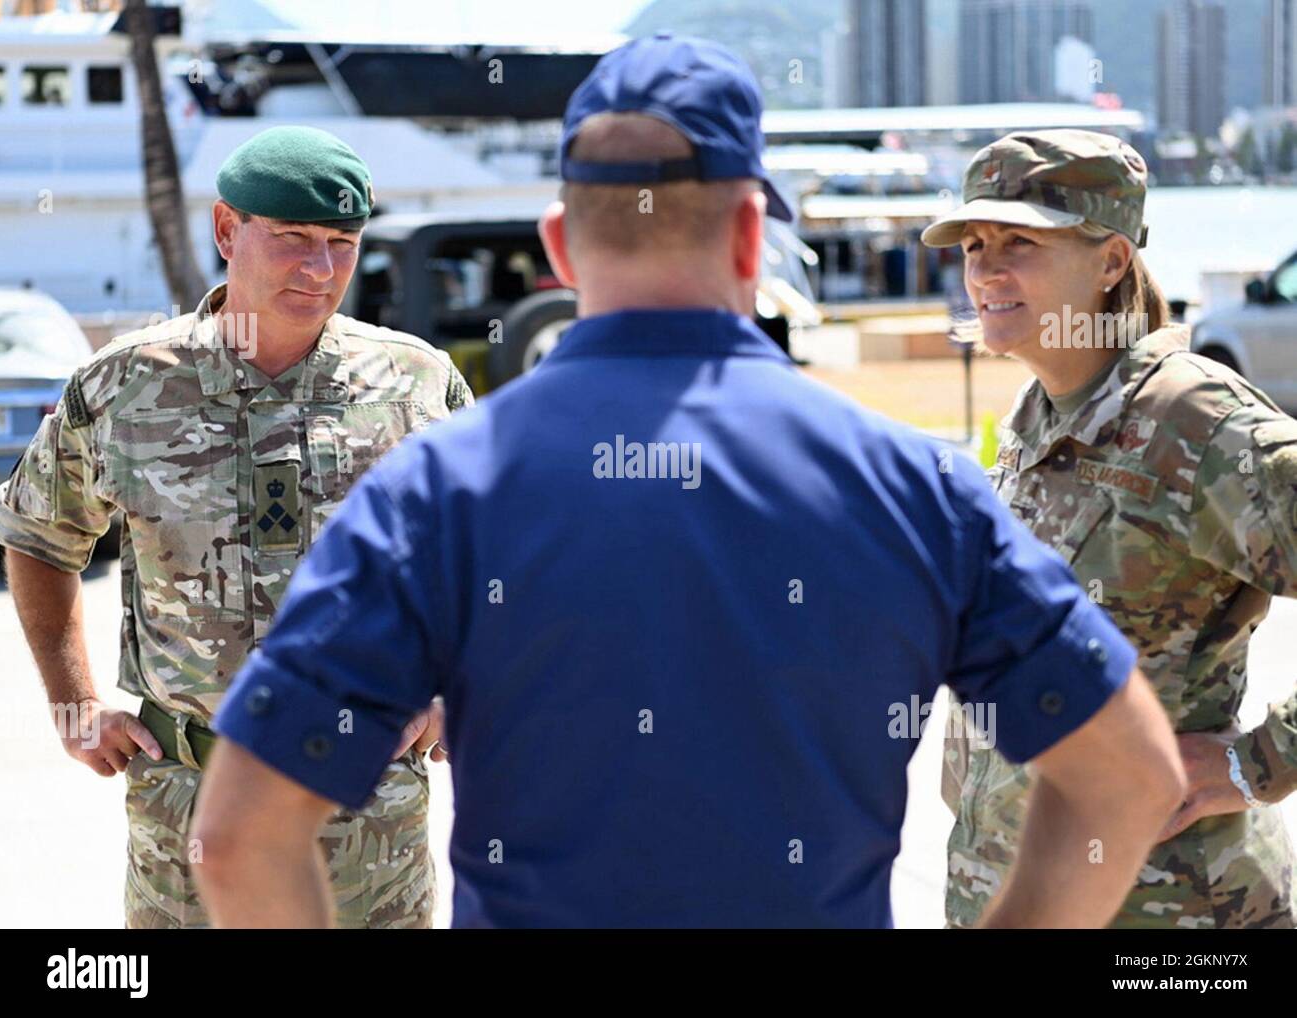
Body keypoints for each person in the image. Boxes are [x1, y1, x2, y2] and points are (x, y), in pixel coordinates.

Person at [192, 35, 1184, 929]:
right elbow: (1129, 775)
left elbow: (239, 836)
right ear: (752, 234)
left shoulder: (435, 492)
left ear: (558, 245)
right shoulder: (909, 485)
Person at [0, 125, 469, 929]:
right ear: (226, 230)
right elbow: (39, 537)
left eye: (340, 243)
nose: (320, 270)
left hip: (371, 821)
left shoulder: (415, 385)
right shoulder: (124, 387)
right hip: (185, 819)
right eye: (292, 239)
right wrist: (75, 704)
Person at [922, 128, 1297, 929]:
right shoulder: (1037, 416)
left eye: (1019, 240)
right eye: (974, 243)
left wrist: (1260, 761)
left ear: (1112, 261)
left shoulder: (1193, 424)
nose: (984, 269)